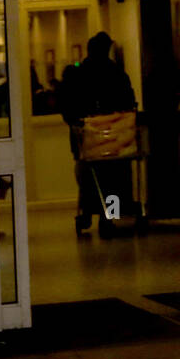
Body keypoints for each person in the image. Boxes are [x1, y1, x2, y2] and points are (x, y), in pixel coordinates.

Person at [59, 32, 136, 237]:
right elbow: (128, 103)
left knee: (88, 177)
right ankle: (108, 215)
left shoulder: (76, 74)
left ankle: (89, 212)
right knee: (113, 179)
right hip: (114, 138)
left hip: (86, 138)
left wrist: (78, 124)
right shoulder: (116, 74)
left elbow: (67, 107)